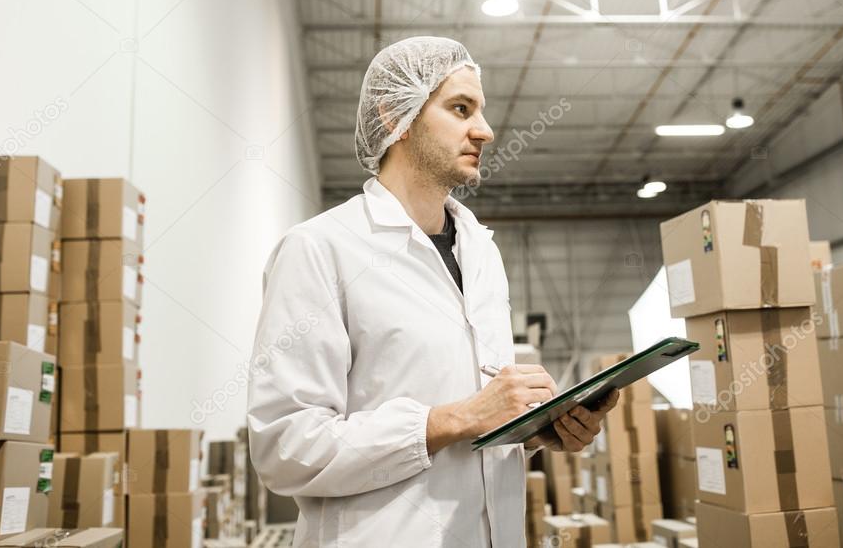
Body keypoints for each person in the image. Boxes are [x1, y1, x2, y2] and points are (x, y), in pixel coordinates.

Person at [247, 36, 620, 546]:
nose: (485, 131)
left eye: (481, 111)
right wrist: (455, 419)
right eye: (460, 108)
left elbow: (477, 421)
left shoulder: (481, 253)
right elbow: (284, 448)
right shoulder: (320, 249)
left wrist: (536, 431)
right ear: (394, 114)